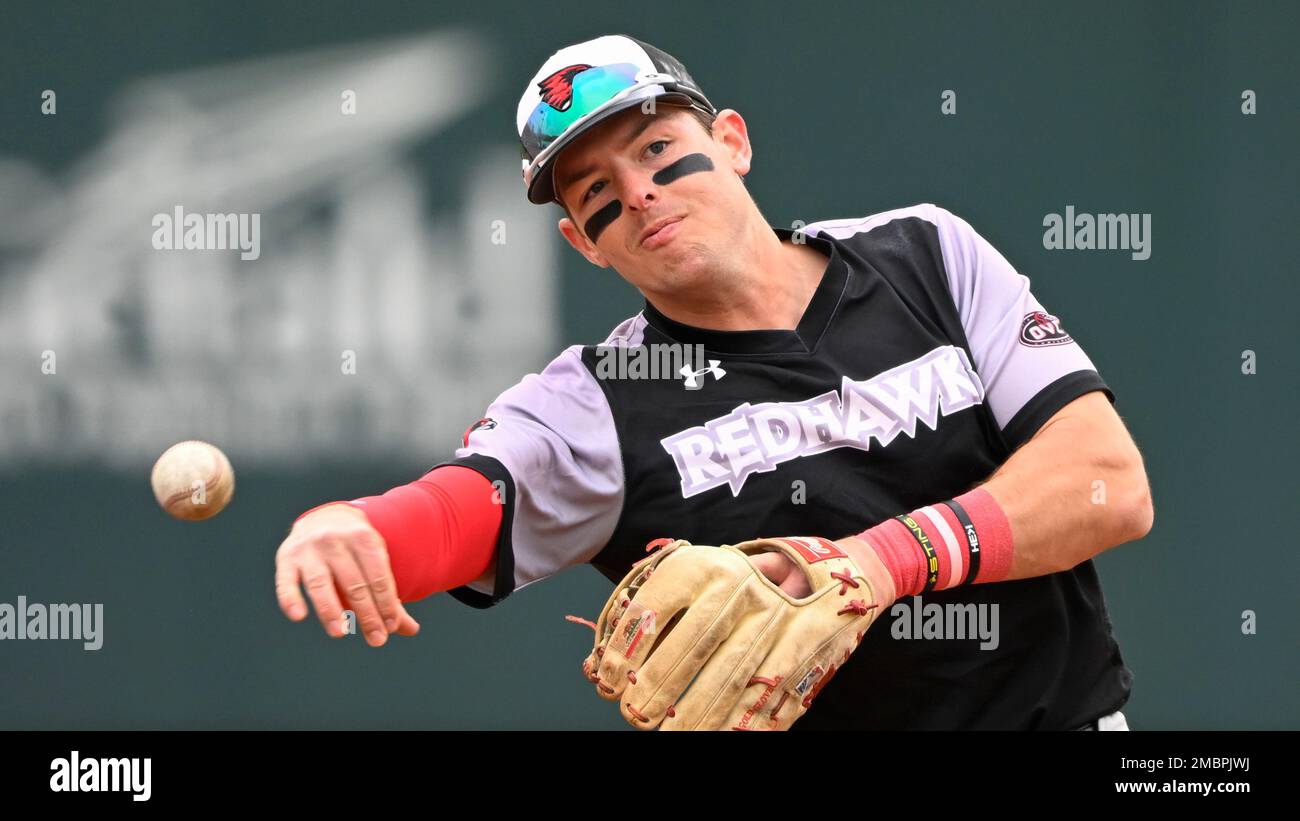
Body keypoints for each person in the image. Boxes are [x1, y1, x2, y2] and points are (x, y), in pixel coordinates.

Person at [275, 34, 1152, 730]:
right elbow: (468, 505)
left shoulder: (924, 254)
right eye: (596, 191)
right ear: (583, 240)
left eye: (658, 148)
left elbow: (1107, 486)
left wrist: (875, 564)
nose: (642, 192)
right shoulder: (599, 402)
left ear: (730, 141)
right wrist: (354, 525)